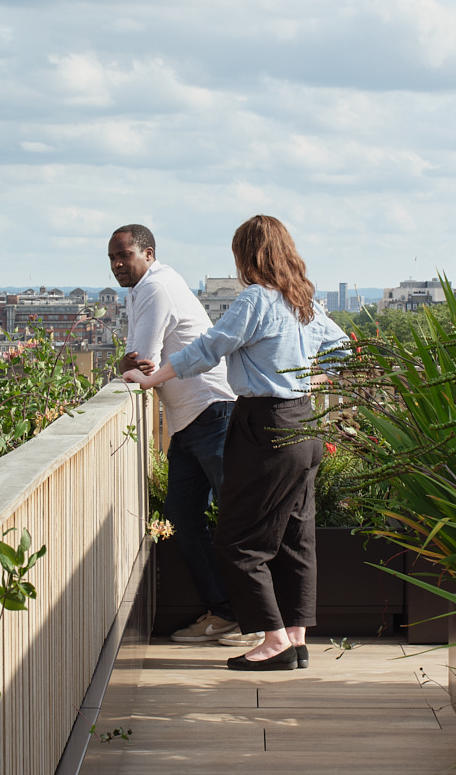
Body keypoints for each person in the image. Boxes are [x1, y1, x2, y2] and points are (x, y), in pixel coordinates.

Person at [121, 215, 347, 671]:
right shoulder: (302, 300)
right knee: (296, 537)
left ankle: (274, 641)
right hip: (304, 423)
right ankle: (296, 640)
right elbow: (344, 351)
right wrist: (307, 382)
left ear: (247, 254)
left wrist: (150, 379)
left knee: (238, 540)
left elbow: (208, 349)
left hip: (266, 427)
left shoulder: (256, 299)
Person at [108, 223, 246, 646]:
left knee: (237, 517)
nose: (117, 265)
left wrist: (126, 364)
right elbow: (135, 362)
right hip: (189, 419)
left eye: (125, 255)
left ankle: (259, 620)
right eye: (112, 258)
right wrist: (128, 363)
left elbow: (141, 361)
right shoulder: (141, 289)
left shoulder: (156, 287)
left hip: (212, 410)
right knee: (183, 516)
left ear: (148, 254)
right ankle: (225, 613)